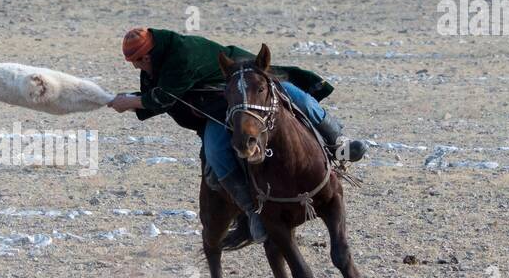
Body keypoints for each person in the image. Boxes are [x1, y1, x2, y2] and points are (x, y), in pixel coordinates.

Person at [107, 28, 366, 250]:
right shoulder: (158, 61)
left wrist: (129, 102)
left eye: (137, 61)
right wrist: (126, 100)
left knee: (295, 95)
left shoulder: (180, 56)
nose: (136, 67)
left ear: (147, 55)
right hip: (220, 108)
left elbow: (163, 97)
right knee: (216, 152)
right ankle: (252, 211)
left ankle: (337, 142)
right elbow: (158, 95)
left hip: (246, 82)